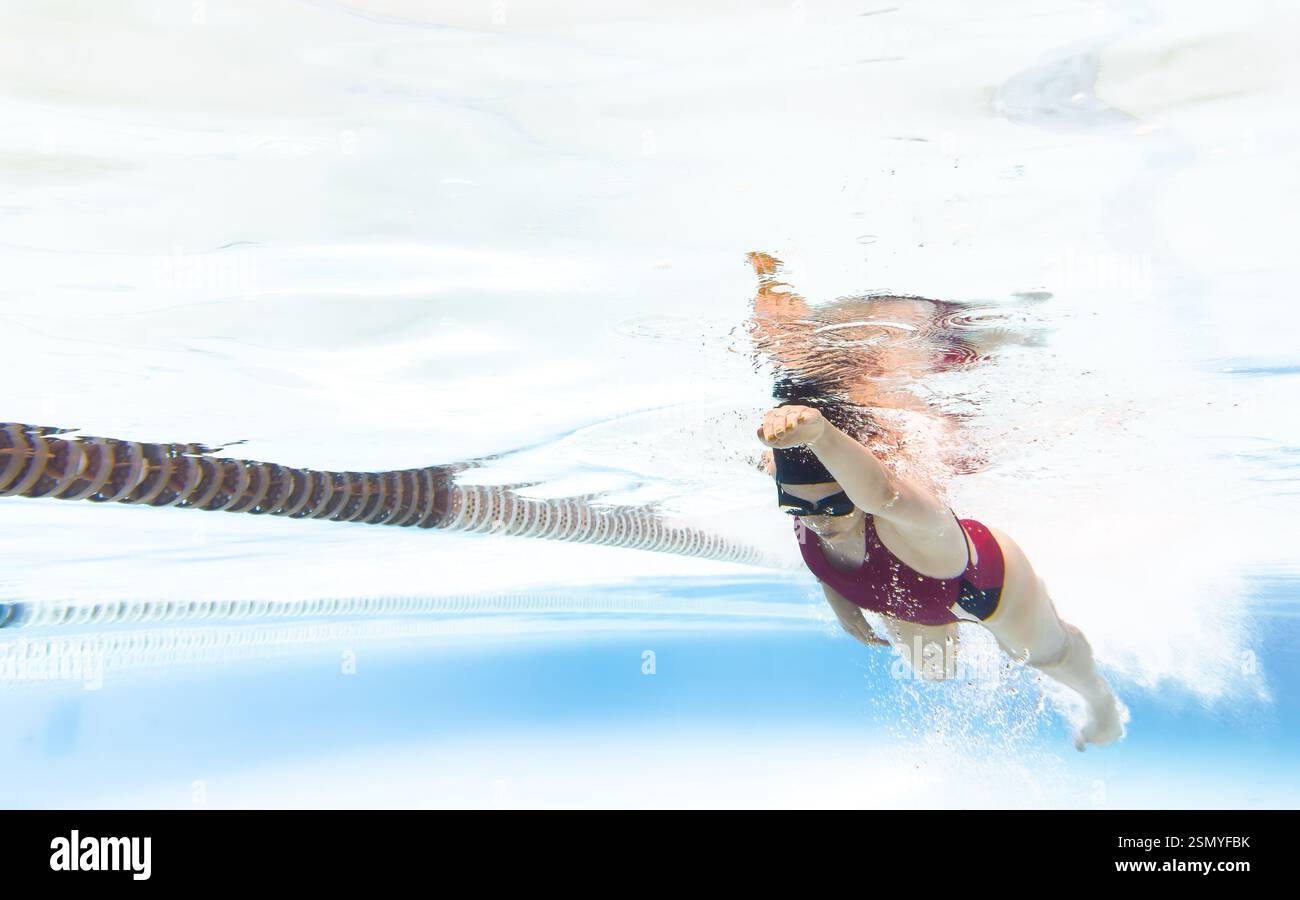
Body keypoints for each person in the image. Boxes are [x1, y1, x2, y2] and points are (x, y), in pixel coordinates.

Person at [757, 399, 1125, 750]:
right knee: (934, 671)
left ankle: (1102, 704)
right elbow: (806, 509)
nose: (817, 519)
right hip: (917, 600)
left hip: (987, 586)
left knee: (1049, 656)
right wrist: (837, 595)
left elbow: (881, 493)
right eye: (795, 506)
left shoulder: (906, 518)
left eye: (835, 505)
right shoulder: (805, 508)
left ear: (852, 492)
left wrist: (821, 434)